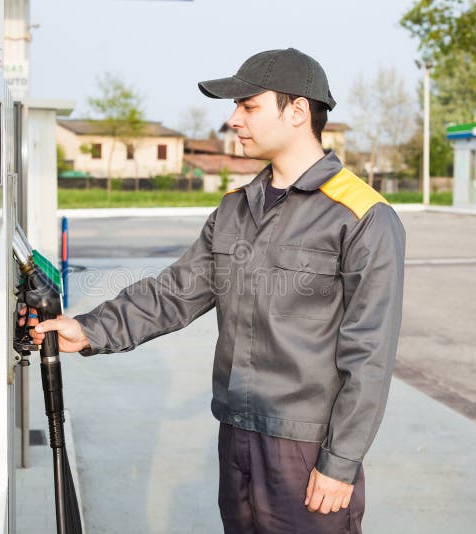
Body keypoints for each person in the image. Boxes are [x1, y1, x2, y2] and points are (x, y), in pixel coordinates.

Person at [25, 48, 405, 533]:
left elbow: (369, 355)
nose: (233, 120)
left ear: (297, 111)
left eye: (248, 107)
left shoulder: (361, 216)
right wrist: (89, 329)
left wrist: (341, 461)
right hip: (237, 433)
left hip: (306, 448)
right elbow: (174, 292)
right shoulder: (235, 209)